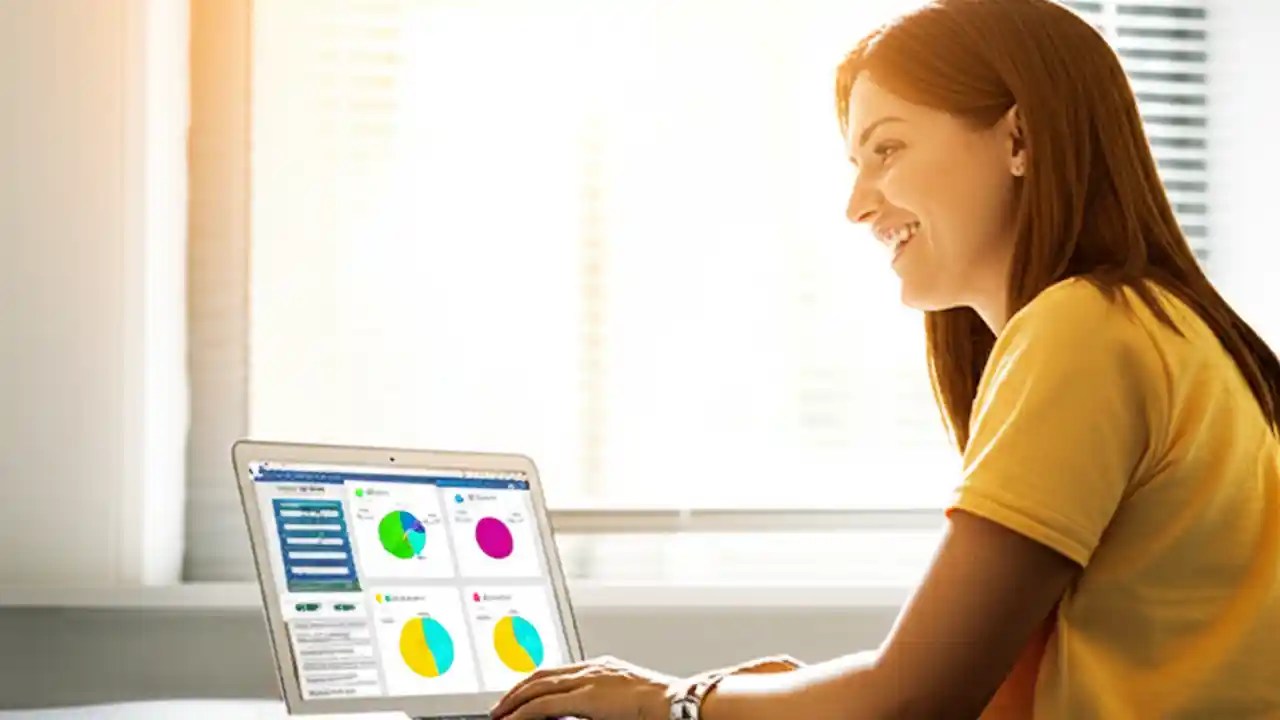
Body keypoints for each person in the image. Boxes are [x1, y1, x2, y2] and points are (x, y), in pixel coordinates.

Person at [490, 0, 1280, 717]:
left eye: (888, 148)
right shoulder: (1169, 330)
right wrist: (782, 700)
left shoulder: (1085, 328)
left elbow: (913, 699)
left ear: (1019, 139)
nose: (858, 203)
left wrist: (671, 702)